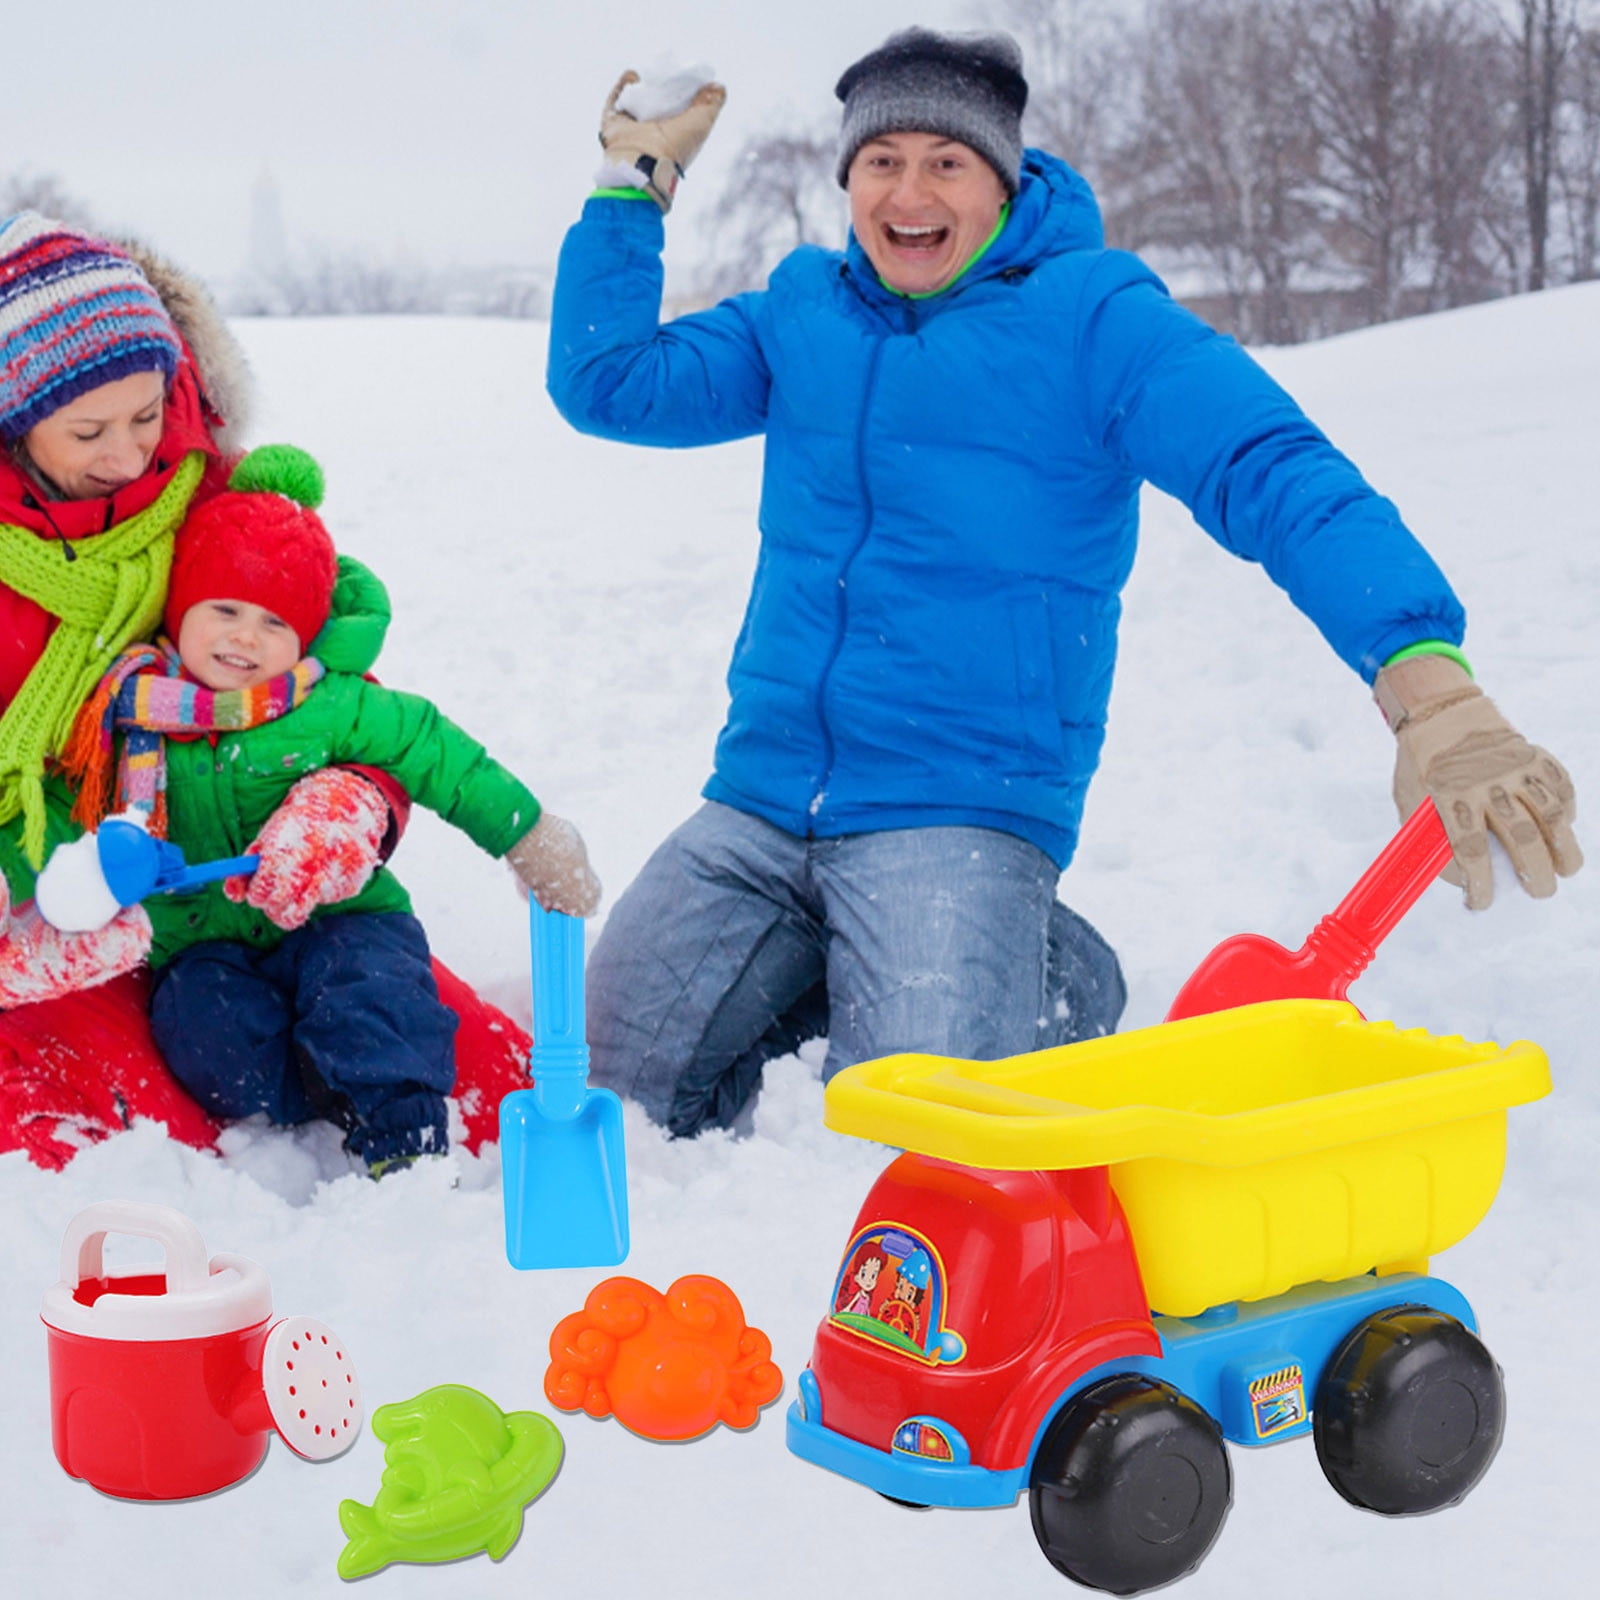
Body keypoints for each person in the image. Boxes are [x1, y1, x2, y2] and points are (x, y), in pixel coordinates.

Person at [546, 27, 1582, 1140]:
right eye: (880, 159)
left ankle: (1046, 977)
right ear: (848, 181)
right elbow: (609, 383)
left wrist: (1426, 682)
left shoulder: (1095, 320)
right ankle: (870, 963)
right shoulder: (803, 312)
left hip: (955, 809)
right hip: (758, 799)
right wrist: (628, 190)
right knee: (602, 1090)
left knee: (911, 1141)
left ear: (1002, 180)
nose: (910, 190)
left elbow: (1273, 469)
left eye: (946, 161)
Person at [49, 445, 600, 1172]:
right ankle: (310, 1097)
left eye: (275, 623)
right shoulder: (128, 714)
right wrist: (76, 870)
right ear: (181, 609)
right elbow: (62, 806)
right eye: (224, 610)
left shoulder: (331, 703)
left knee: (373, 999)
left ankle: (403, 1138)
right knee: (203, 1032)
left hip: (341, 916)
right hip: (203, 942)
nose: (246, 637)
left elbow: (436, 751)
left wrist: (526, 835)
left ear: (304, 635)